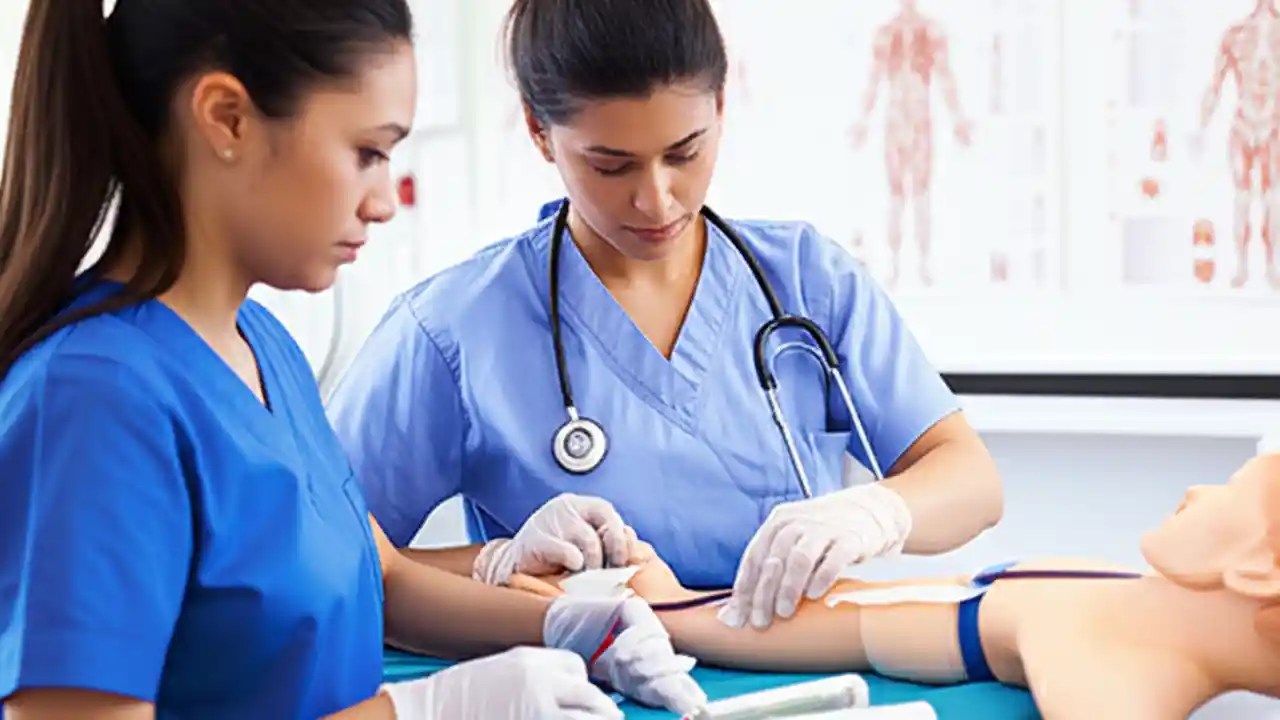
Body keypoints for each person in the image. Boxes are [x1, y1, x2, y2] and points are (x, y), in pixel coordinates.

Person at [0, 1, 702, 718]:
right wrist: (420, 712)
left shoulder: (262, 348)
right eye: (368, 152)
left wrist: (568, 627)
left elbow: (380, 578)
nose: (383, 202)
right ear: (227, 119)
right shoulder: (94, 399)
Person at [328, 0, 1002, 632]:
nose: (656, 200)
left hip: (802, 679)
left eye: (684, 152)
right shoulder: (451, 330)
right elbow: (327, 559)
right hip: (577, 688)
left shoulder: (806, 282)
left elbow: (970, 480)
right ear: (539, 131)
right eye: (610, 166)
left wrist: (876, 513)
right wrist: (494, 564)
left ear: (721, 105)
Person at [505, 453, 1280, 718]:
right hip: (867, 601)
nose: (1197, 492)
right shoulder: (1126, 596)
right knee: (641, 593)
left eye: (1234, 491)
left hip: (844, 628)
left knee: (638, 608)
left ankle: (497, 587)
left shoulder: (1116, 677)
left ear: (1259, 570)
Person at [849, 0, 972, 288]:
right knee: (900, 193)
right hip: (903, 117)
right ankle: (896, 265)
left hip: (916, 117)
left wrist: (958, 119)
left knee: (919, 192)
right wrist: (862, 121)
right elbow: (874, 79)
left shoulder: (929, 31)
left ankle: (921, 264)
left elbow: (945, 77)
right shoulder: (890, 33)